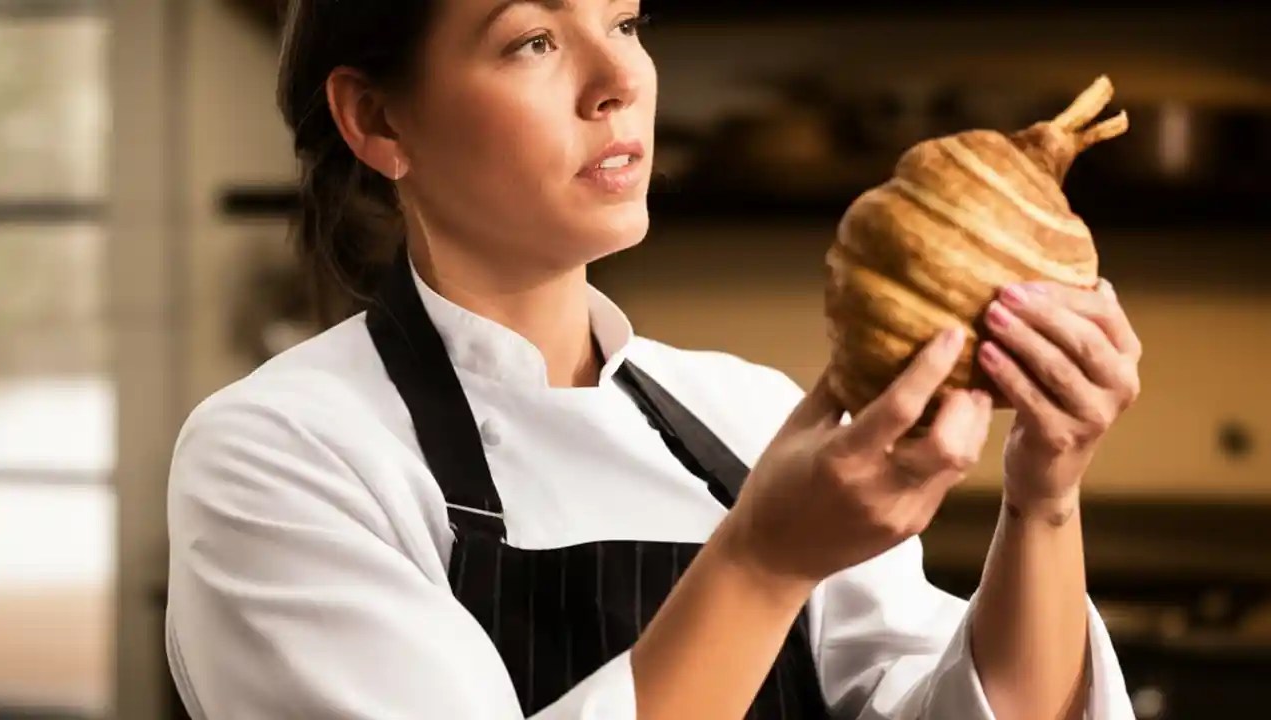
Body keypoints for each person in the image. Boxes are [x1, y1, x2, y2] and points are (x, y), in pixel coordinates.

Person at [163, 1, 1143, 718]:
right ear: (377, 122)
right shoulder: (281, 450)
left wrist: (1043, 499)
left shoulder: (748, 412)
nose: (619, 79)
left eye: (624, 23)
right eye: (533, 40)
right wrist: (760, 563)